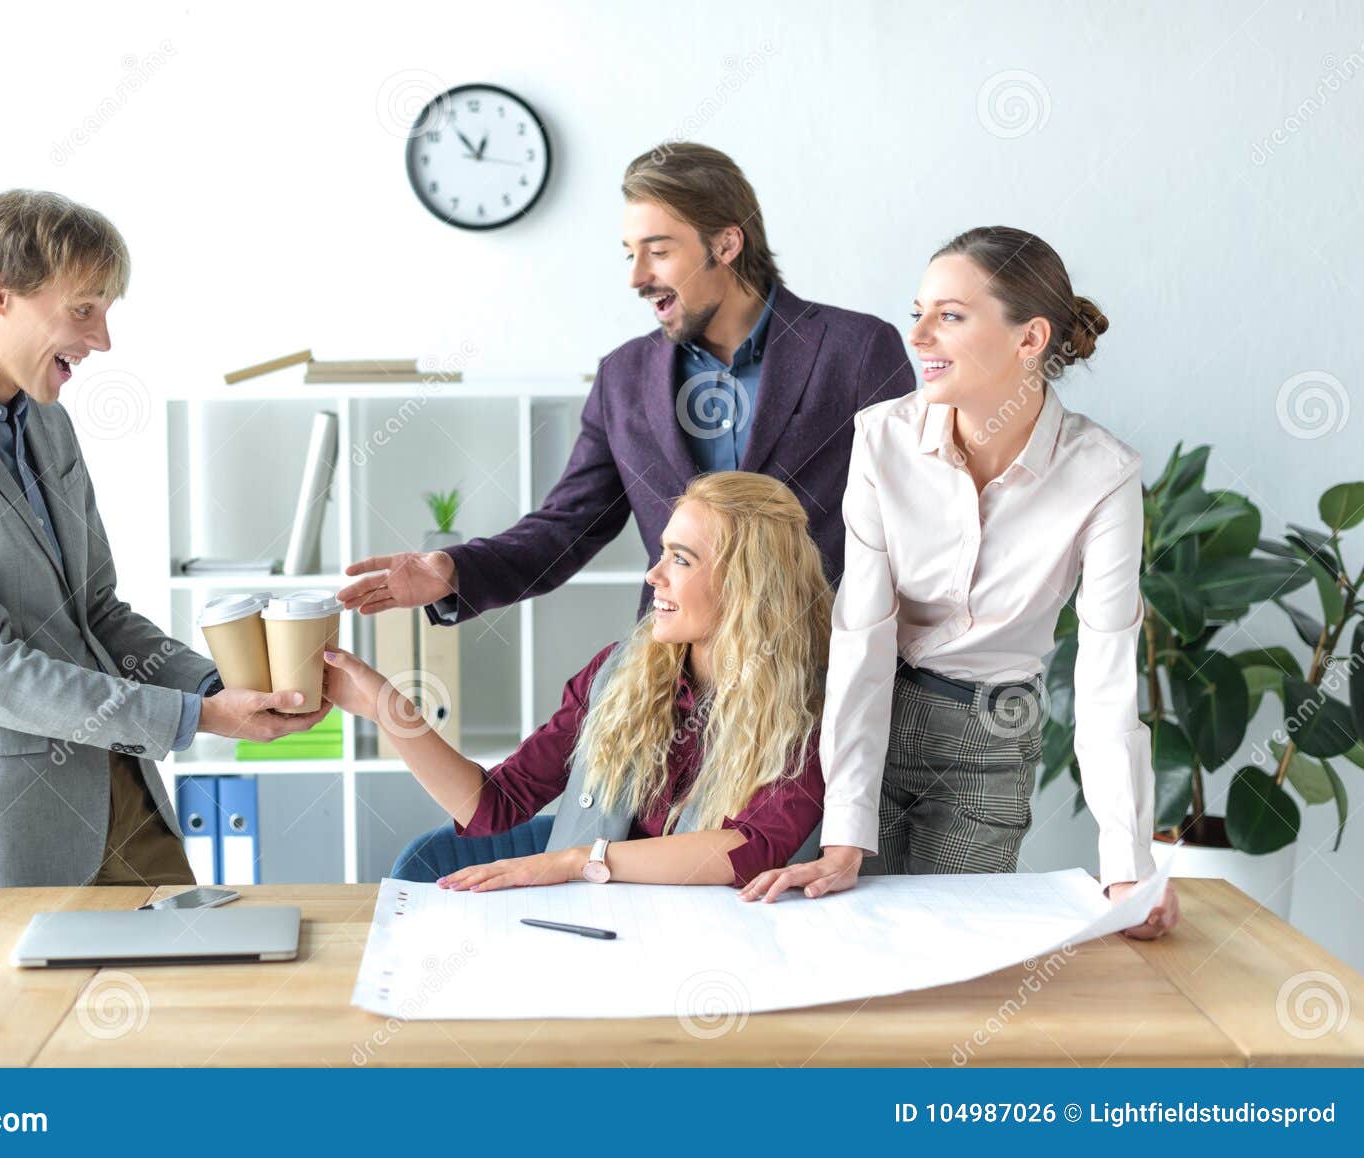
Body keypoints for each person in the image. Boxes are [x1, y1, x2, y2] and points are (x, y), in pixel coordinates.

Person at [0, 190, 326, 928]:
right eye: (82, 310)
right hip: (15, 840)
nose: (102, 340)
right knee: (22, 1046)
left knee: (183, 1024)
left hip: (129, 804)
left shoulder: (48, 422)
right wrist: (197, 718)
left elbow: (97, 613)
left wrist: (227, 687)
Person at [741, 226, 1179, 940]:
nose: (916, 335)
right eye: (918, 310)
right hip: (872, 721)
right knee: (848, 938)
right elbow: (862, 637)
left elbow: (1106, 678)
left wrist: (1126, 863)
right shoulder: (880, 438)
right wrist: (845, 832)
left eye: (949, 314)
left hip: (992, 734)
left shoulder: (1103, 475)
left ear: (1029, 337)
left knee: (950, 947)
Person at [336, 142, 913, 624]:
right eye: (630, 254)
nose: (638, 277)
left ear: (726, 244)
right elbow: (566, 527)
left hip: (824, 670)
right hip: (674, 680)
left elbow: (911, 518)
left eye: (658, 252)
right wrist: (455, 569)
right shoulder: (623, 378)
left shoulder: (857, 350)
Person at [321, 472, 829, 889]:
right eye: (662, 553)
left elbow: (751, 849)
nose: (654, 576)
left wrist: (578, 860)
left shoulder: (808, 708)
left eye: (681, 558)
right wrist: (384, 707)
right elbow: (492, 806)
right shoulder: (615, 672)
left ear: (747, 584)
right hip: (588, 939)